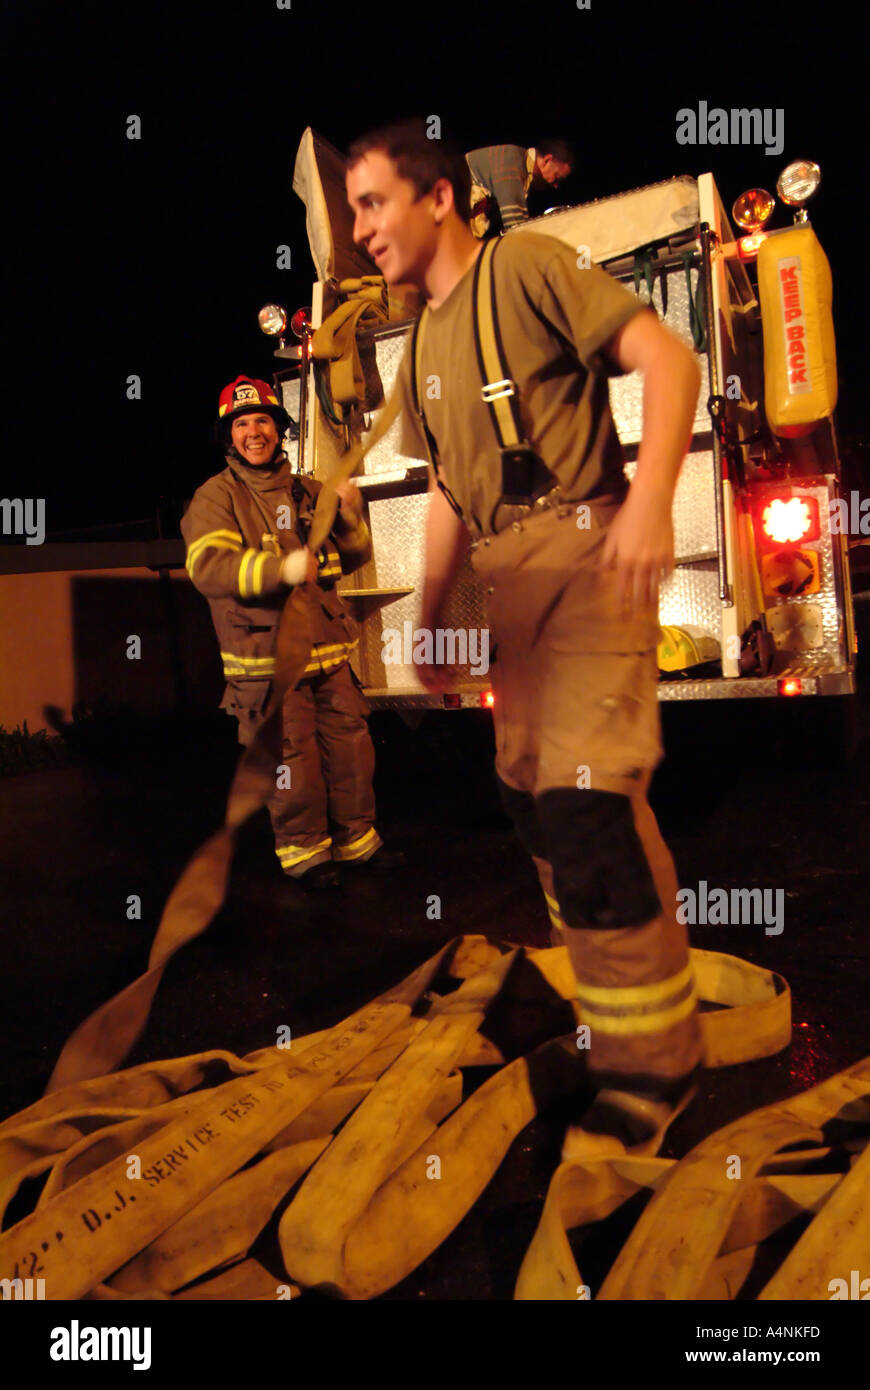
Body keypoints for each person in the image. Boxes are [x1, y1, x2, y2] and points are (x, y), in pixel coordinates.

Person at [346, 119, 703, 1154]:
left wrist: (647, 509)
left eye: (374, 202)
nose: (361, 228)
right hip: (510, 592)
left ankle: (657, 1069)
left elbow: (668, 361)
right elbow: (454, 495)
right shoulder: (421, 350)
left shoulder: (528, 267)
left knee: (588, 806)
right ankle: (617, 1017)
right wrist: (428, 615)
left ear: (441, 196)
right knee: (536, 810)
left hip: (585, 558)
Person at [182, 375, 396, 890]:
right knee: (291, 759)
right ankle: (305, 854)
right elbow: (208, 568)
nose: (253, 432)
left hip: (327, 654)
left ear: (279, 430)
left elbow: (354, 556)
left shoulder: (309, 489)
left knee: (350, 749)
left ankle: (358, 843)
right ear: (228, 436)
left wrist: (347, 518)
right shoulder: (216, 497)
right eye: (241, 424)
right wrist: (280, 571)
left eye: (262, 422)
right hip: (266, 663)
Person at [465, 138, 574, 237]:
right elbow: (516, 228)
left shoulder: (521, 167)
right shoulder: (510, 161)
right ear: (547, 160)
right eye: (557, 177)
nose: (555, 186)